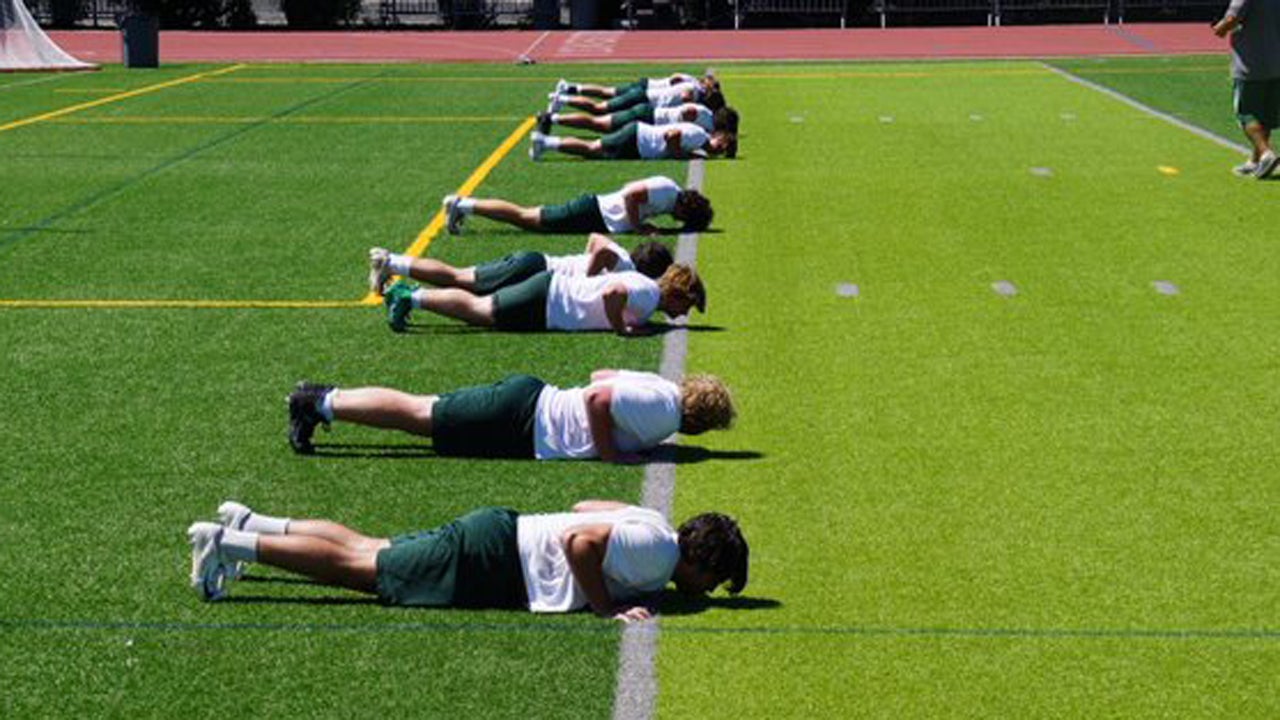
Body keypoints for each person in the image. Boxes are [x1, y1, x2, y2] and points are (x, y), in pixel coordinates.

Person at [187, 498, 749, 622]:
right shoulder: (657, 556)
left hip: (501, 538)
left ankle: (251, 523)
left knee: (369, 548)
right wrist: (605, 606)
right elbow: (581, 539)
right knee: (366, 570)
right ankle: (226, 544)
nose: (707, 590)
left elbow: (585, 507)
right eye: (715, 580)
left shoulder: (655, 524)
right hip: (498, 559)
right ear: (703, 562)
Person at [283, 369, 736, 460]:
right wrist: (608, 451)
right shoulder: (664, 414)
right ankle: (318, 401)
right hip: (526, 420)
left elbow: (601, 374)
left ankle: (324, 401)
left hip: (530, 406)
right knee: (421, 414)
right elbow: (600, 398)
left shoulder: (662, 386)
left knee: (422, 408)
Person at [378, 261, 705, 334]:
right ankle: (410, 295)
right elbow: (612, 293)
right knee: (481, 311)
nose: (683, 314)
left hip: (550, 295)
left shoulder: (645, 287)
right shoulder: (648, 295)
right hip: (549, 301)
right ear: (676, 293)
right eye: (686, 305)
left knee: (480, 307)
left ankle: (413, 295)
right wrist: (622, 329)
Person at [366, 234, 673, 296]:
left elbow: (595, 239)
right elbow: (601, 251)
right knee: (460, 278)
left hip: (535, 265)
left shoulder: (622, 255)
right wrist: (587, 279)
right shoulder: (625, 267)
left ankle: (394, 265)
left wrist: (583, 268)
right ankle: (391, 262)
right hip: (534, 270)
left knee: (463, 281)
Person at [439, 176, 713, 236]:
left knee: (526, 218)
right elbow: (631, 194)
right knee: (524, 216)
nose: (677, 220)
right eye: (683, 219)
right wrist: (638, 226)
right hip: (593, 211)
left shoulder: (669, 194)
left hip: (596, 213)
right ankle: (463, 204)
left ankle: (465, 206)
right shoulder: (667, 192)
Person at [1214, 0, 1280, 178]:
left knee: (1246, 115)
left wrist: (1220, 29)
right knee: (1264, 116)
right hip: (1276, 64)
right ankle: (1255, 162)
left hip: (1251, 65)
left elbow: (1232, 19)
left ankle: (1266, 153)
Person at [530, 122, 737, 162]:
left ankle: (546, 143)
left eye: (722, 152)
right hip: (638, 139)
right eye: (721, 147)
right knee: (592, 148)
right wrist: (681, 156)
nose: (718, 152)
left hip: (639, 141)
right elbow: (671, 135)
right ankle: (545, 141)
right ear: (717, 137)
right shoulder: (699, 136)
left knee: (593, 151)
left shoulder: (699, 139)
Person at [549, 76, 724, 117]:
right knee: (600, 109)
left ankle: (568, 89)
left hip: (647, 93)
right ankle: (562, 98)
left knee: (606, 94)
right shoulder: (694, 88)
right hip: (645, 94)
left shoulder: (694, 84)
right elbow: (678, 85)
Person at [539, 102, 738, 137]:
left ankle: (553, 118)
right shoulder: (703, 117)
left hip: (648, 117)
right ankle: (552, 118)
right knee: (598, 123)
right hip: (648, 117)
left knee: (599, 123)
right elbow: (687, 113)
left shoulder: (706, 116)